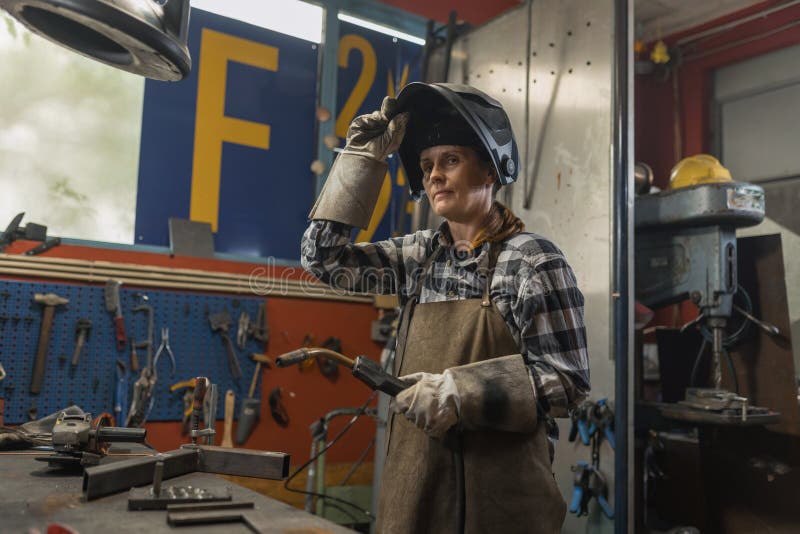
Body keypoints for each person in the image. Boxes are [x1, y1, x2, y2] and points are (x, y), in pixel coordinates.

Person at [301, 83, 589, 534]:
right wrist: (361, 160)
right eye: (426, 165)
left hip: (501, 510)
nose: (434, 175)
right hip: (415, 498)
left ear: (491, 170)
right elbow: (324, 259)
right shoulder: (417, 257)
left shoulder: (532, 261)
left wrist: (461, 392)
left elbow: (568, 382)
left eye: (450, 160)